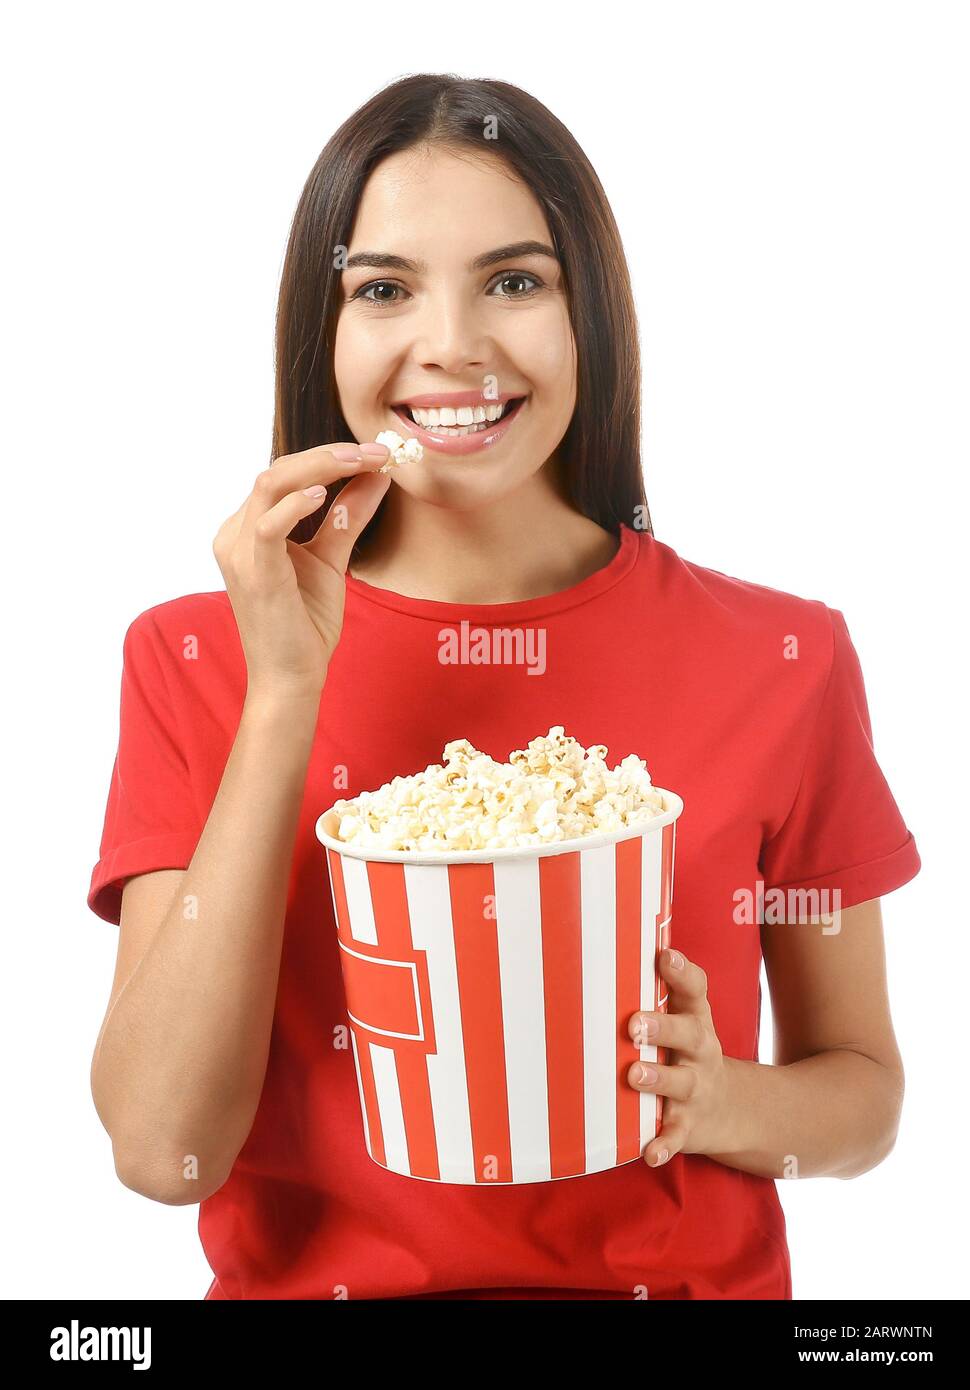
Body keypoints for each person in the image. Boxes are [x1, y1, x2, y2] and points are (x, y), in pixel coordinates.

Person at [86, 74, 921, 1301]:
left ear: (591, 314)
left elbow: (861, 1096)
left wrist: (717, 1095)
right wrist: (283, 695)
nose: (453, 346)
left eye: (514, 282)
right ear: (322, 335)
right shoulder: (196, 658)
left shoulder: (780, 657)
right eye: (382, 289)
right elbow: (165, 1151)